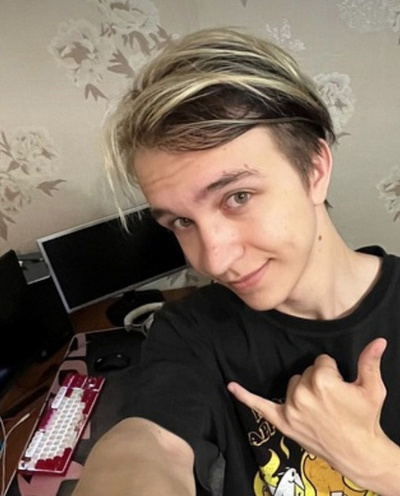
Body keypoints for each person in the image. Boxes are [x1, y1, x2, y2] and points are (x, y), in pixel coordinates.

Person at [73, 27, 400, 496]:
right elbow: (150, 443)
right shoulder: (192, 331)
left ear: (314, 169)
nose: (213, 258)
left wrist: (376, 463)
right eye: (181, 222)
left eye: (238, 197)